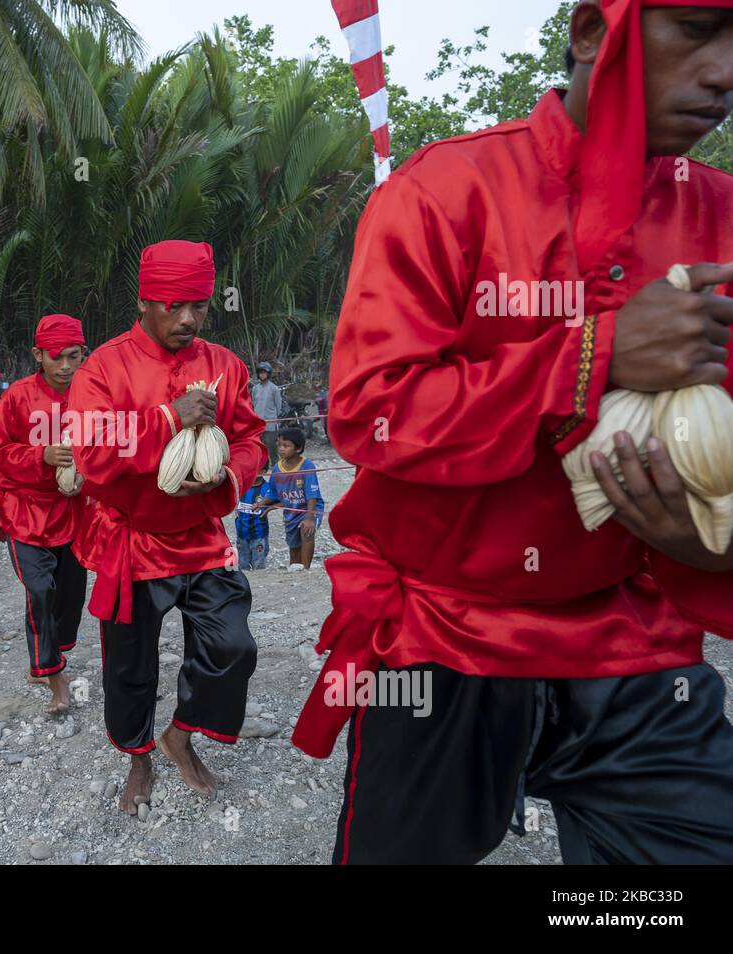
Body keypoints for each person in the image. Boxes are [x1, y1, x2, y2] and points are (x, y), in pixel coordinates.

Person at [290, 0, 733, 865]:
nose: (726, 73)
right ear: (590, 34)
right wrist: (592, 356)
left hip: (638, 642)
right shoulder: (442, 191)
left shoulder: (721, 216)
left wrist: (718, 549)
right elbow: (371, 411)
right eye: (696, 28)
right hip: (442, 634)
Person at [70, 239, 266, 814]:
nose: (187, 318)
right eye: (172, 305)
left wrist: (227, 474)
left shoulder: (225, 367)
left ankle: (178, 734)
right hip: (131, 539)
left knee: (232, 646)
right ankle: (138, 757)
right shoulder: (103, 367)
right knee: (131, 666)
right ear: (144, 301)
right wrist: (165, 420)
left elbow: (253, 439)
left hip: (202, 537)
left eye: (199, 306)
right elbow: (90, 453)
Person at [0, 315, 89, 715]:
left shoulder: (92, 394)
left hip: (74, 513)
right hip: (26, 513)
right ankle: (53, 675)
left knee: (71, 595)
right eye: (56, 357)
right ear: (38, 355)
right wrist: (40, 455)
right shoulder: (17, 399)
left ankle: (51, 652)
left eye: (74, 356)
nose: (65, 366)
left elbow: (110, 443)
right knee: (40, 593)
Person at [254, 428, 323, 570]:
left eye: (286, 446)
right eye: (279, 445)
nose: (281, 449)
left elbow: (312, 495)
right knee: (294, 546)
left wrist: (310, 518)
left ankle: (306, 570)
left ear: (298, 448)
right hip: (291, 512)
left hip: (308, 509)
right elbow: (273, 493)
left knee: (306, 531)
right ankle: (295, 569)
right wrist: (261, 504)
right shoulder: (277, 469)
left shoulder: (307, 466)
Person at [234, 465, 273, 571]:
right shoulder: (241, 486)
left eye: (253, 468)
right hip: (241, 532)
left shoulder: (268, 488)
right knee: (242, 565)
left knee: (259, 565)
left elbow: (279, 500)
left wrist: (269, 509)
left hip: (259, 532)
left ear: (263, 471)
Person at [250, 362, 288, 465]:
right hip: (258, 423)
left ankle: (275, 464)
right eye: (261, 373)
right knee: (260, 445)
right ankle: (263, 465)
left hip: (270, 422)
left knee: (271, 444)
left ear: (268, 374)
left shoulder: (274, 389)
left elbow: (278, 406)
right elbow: (253, 404)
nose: (262, 375)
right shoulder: (255, 389)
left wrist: (276, 420)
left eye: (265, 373)